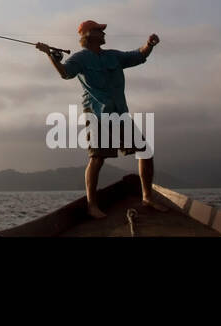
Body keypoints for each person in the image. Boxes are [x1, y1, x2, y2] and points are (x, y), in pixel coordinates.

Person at [36, 20, 164, 219]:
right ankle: (91, 205)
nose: (104, 33)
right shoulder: (79, 59)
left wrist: (149, 45)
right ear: (87, 34)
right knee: (97, 158)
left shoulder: (113, 55)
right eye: (99, 30)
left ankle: (147, 196)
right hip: (96, 113)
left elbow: (138, 55)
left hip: (120, 112)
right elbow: (65, 73)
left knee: (145, 151)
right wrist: (50, 56)